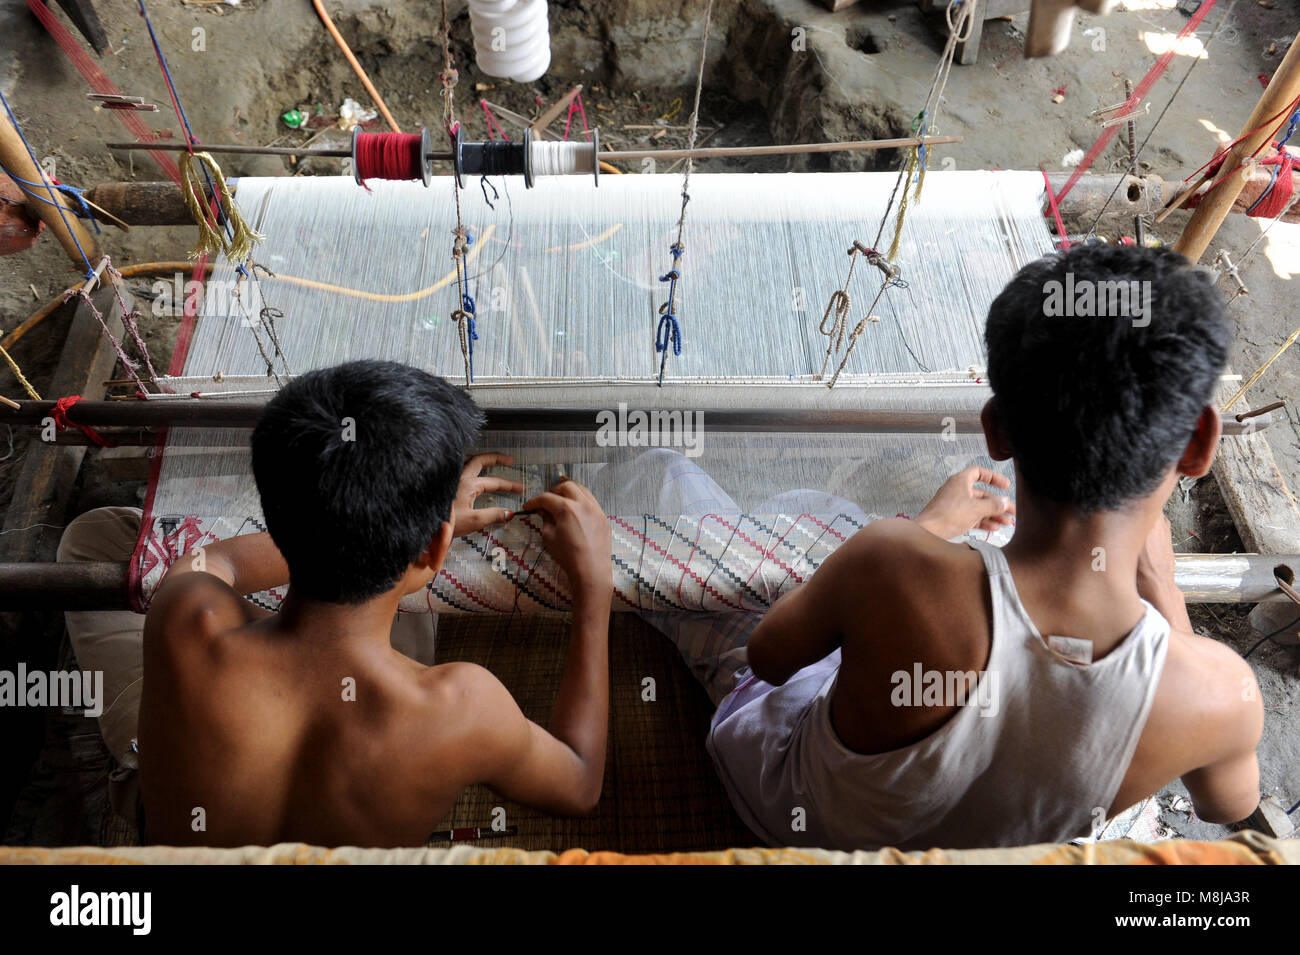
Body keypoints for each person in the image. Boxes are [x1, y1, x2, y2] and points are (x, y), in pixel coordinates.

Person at [630, 244, 1263, 850]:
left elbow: (769, 656)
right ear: (1200, 444)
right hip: (968, 850)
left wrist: (928, 526)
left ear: (995, 430)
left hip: (789, 817)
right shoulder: (1217, 696)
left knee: (695, 489)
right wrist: (1163, 590)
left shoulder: (892, 562)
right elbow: (1228, 805)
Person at [61, 360, 613, 847]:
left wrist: (397, 534)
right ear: (436, 548)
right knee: (404, 632)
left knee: (93, 537)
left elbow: (219, 560)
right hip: (400, 606)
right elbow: (581, 782)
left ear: (274, 517)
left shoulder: (187, 613)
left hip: (174, 836)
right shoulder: (462, 707)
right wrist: (595, 590)